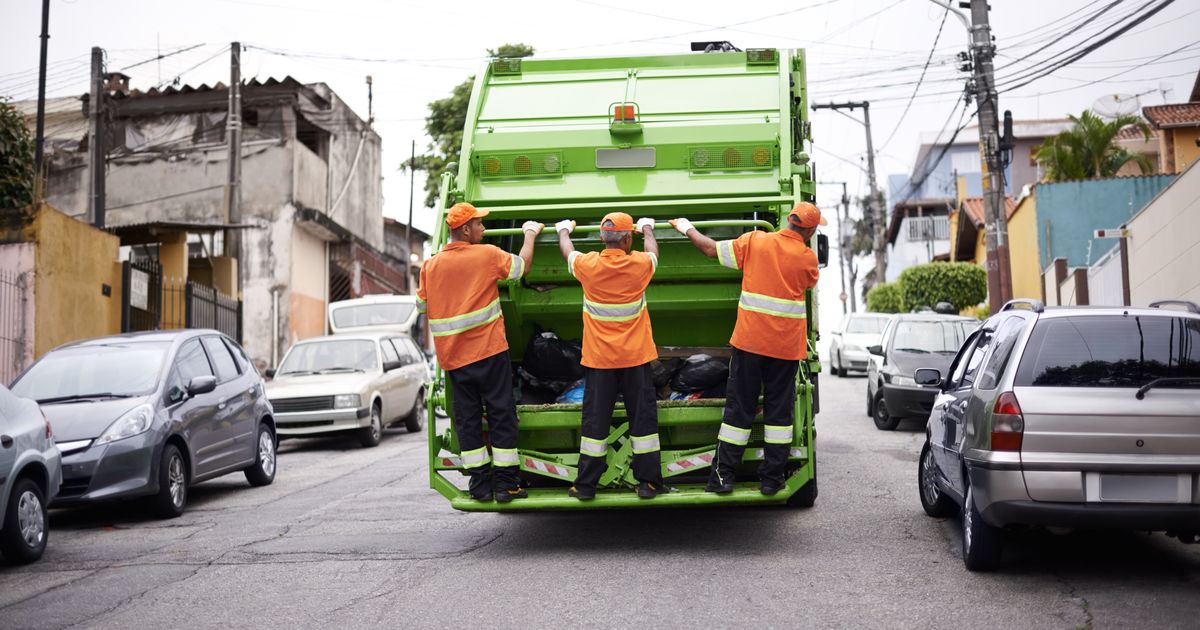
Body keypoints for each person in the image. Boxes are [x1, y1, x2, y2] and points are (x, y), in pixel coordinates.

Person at [670, 202, 824, 495]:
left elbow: (709, 250)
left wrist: (686, 227)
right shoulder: (807, 259)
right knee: (779, 415)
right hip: (785, 349)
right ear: (810, 229)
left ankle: (722, 477)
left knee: (739, 411)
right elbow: (808, 283)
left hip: (751, 342)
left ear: (790, 221)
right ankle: (772, 480)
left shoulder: (755, 241)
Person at [416, 202, 544, 503]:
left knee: (468, 419)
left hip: (453, 359)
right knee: (501, 414)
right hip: (488, 351)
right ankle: (506, 485)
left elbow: (422, 306)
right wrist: (530, 234)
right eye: (479, 224)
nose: (484, 229)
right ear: (465, 229)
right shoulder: (486, 255)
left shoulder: (430, 266)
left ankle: (479, 486)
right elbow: (520, 267)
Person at [556, 213, 668, 500]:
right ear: (628, 238)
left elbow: (568, 252)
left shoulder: (588, 264)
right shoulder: (640, 264)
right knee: (642, 421)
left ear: (601, 239)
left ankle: (585, 485)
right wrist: (648, 229)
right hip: (635, 358)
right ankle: (649, 483)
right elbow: (653, 253)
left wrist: (564, 231)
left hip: (599, 360)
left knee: (595, 422)